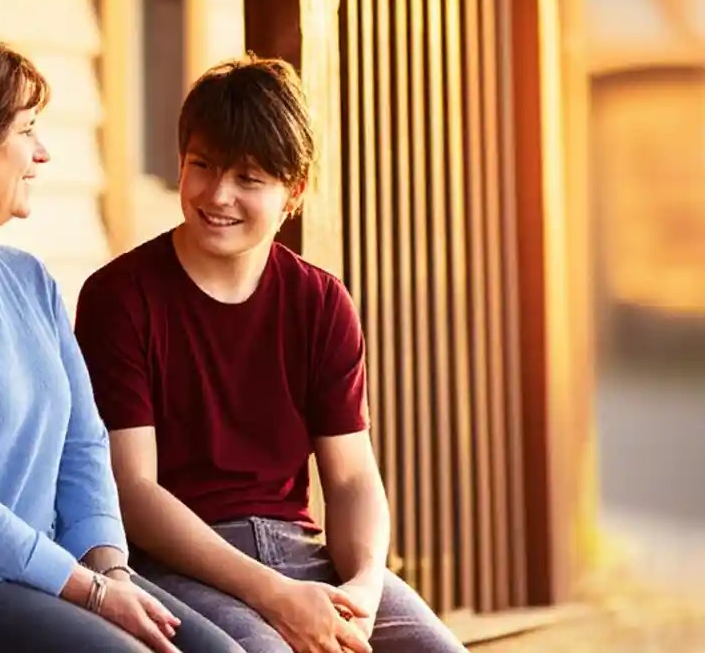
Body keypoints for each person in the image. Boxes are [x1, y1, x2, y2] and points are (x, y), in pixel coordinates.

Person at [0, 28, 243, 653]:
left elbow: (83, 444)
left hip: (47, 573)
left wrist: (110, 568)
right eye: (26, 129)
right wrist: (88, 591)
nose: (42, 153)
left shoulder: (27, 279)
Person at [74, 56, 467, 653]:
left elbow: (353, 476)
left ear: (294, 192)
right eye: (201, 166)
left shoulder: (320, 302)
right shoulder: (119, 298)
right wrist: (274, 595)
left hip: (304, 553)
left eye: (250, 179)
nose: (218, 195)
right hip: (184, 563)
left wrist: (362, 585)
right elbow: (133, 490)